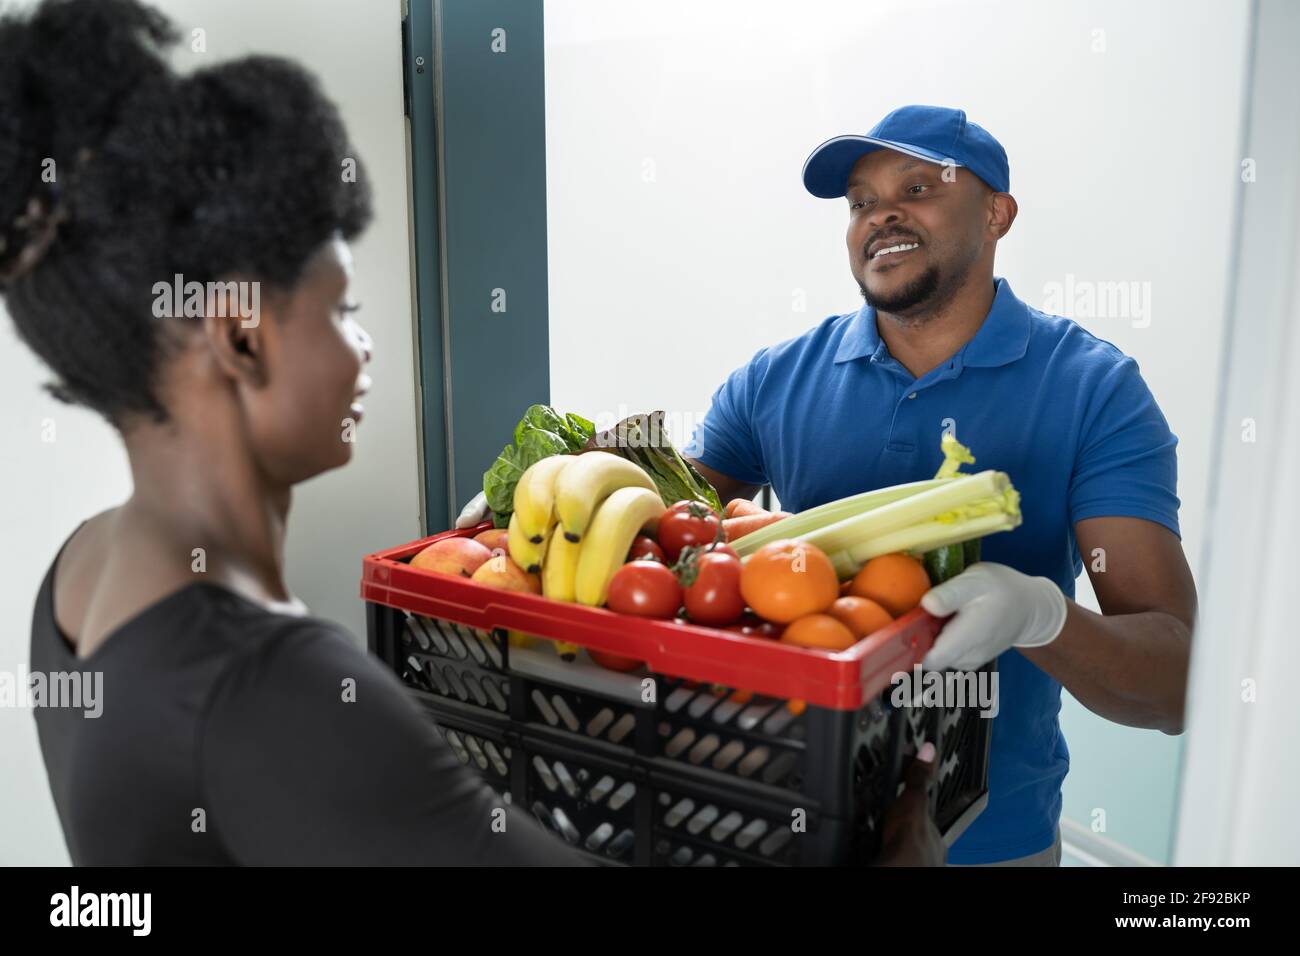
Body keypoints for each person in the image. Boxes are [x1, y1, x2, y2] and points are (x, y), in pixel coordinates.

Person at [5, 0, 937, 866]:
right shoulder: (277, 688)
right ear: (242, 339)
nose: (365, 347)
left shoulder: (79, 569)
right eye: (344, 309)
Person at [462, 105, 1198, 867]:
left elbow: (1174, 684)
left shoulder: (1093, 389)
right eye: (860, 200)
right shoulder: (775, 379)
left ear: (997, 213)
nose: (881, 214)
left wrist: (1042, 616)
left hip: (990, 840)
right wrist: (534, 509)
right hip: (774, 821)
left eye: (917, 187)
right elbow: (674, 538)